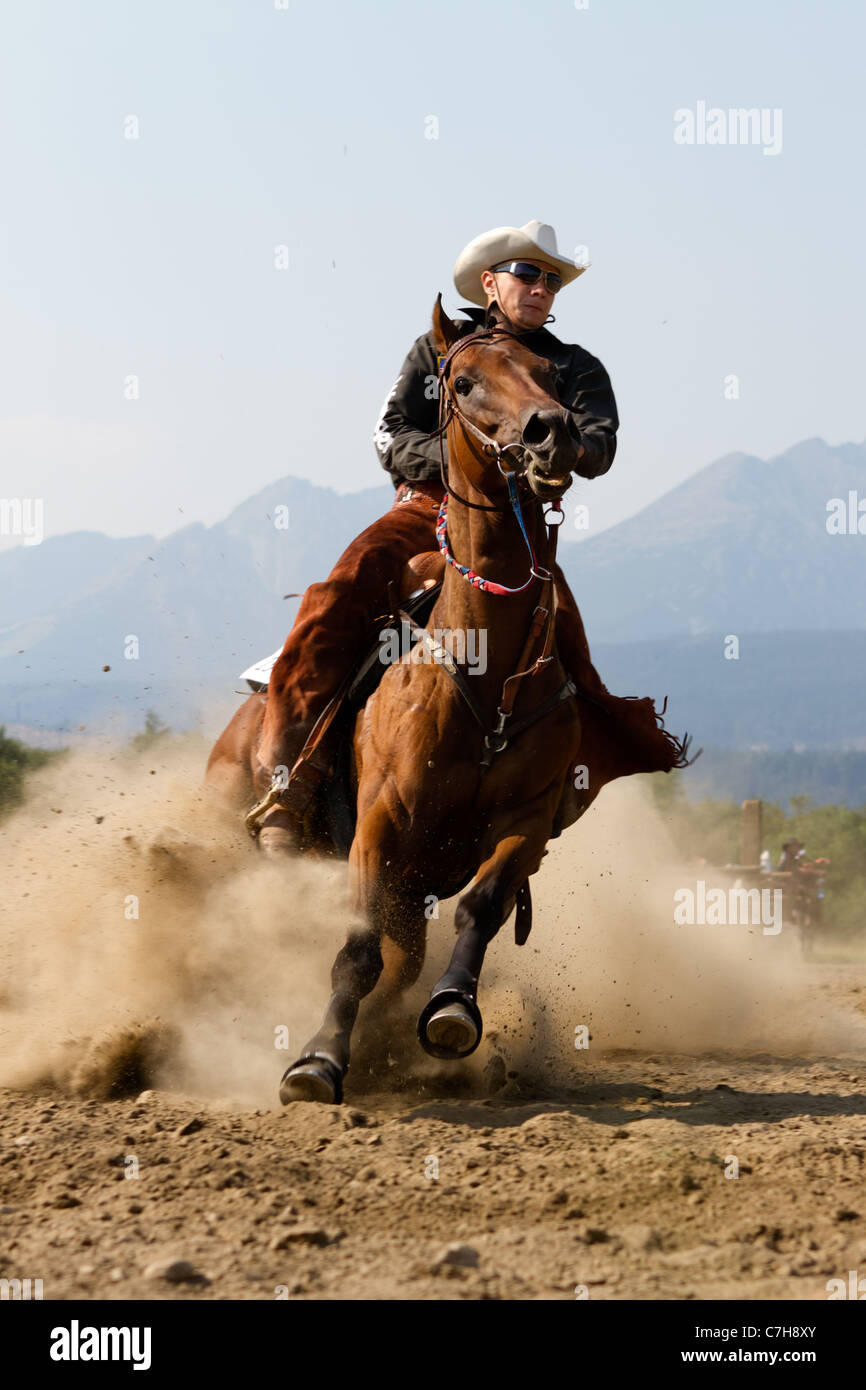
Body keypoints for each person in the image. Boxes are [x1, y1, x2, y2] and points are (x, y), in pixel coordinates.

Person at [254, 221, 691, 852]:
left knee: (567, 646)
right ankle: (289, 784)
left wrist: (568, 448)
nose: (542, 287)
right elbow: (388, 435)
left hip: (521, 533)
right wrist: (464, 461)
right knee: (337, 598)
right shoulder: (437, 351)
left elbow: (602, 444)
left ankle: (547, 797)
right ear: (490, 282)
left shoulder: (574, 367)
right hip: (427, 510)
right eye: (528, 273)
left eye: (552, 278)